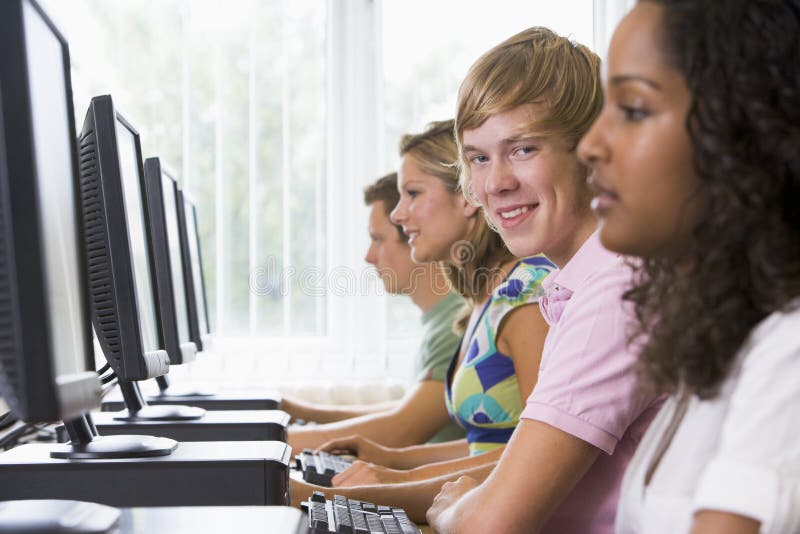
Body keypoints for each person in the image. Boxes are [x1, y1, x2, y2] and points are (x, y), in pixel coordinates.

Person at [426, 27, 662, 533]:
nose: (496, 183)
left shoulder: (616, 292)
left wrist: (451, 510)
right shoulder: (579, 287)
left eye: (523, 149)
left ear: (592, 151)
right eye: (479, 157)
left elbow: (488, 526)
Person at [577, 1, 800, 533]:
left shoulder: (790, 347)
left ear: (742, 133)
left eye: (633, 109)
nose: (589, 146)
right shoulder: (722, 334)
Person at [290, 120, 554, 522]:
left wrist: (346, 492)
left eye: (413, 194)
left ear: (467, 196)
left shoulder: (527, 295)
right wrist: (393, 461)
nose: (399, 214)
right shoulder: (486, 300)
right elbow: (489, 446)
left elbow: (537, 460)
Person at [286, 172, 465, 450]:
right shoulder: (440, 320)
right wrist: (305, 411)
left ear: (413, 235)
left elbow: (401, 429)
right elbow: (403, 410)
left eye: (378, 239)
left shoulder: (455, 324)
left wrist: (269, 441)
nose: (368, 257)